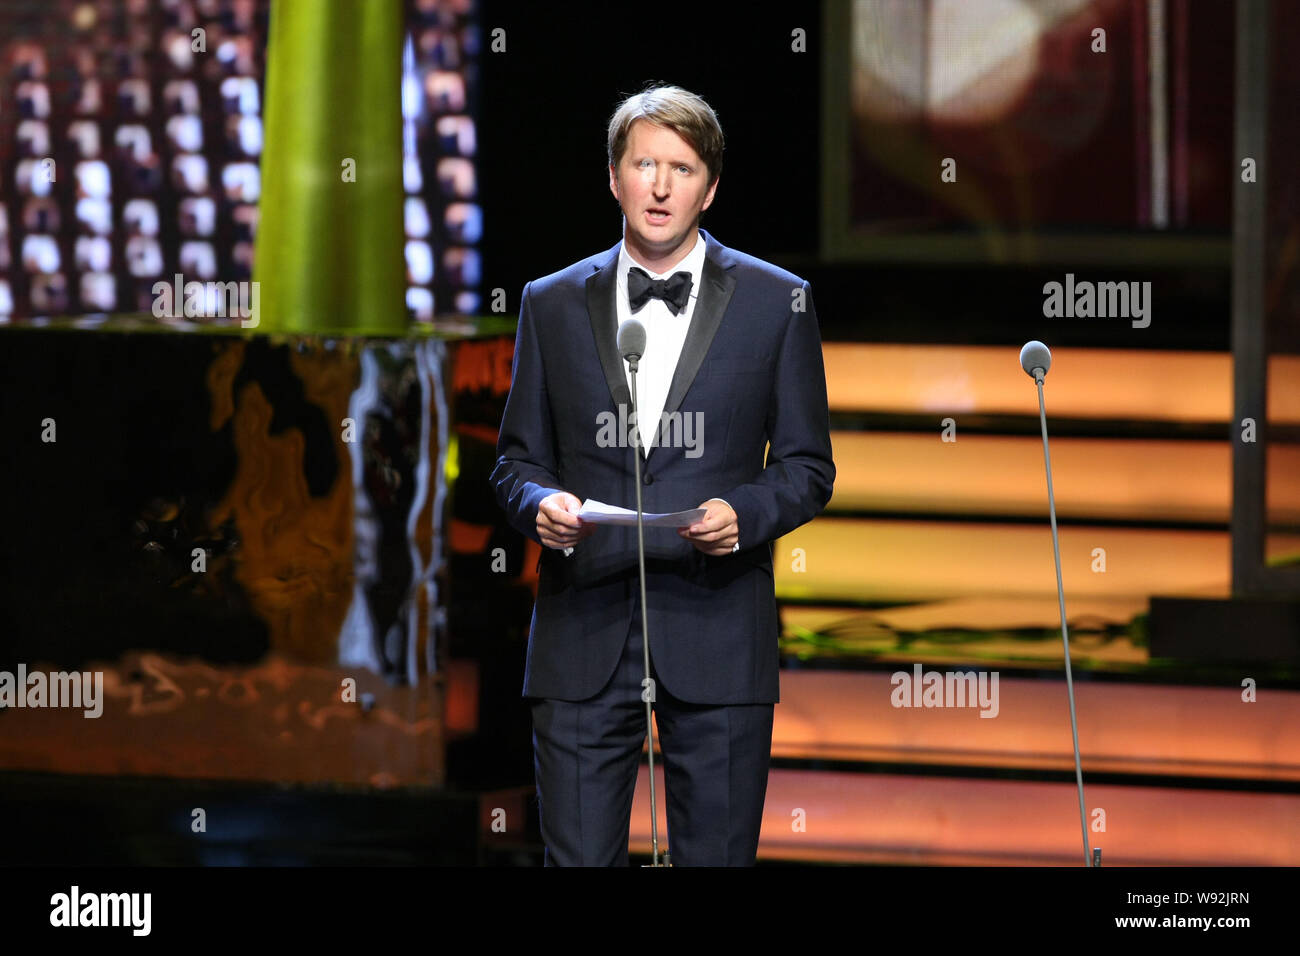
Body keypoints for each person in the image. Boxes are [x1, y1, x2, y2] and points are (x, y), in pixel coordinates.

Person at [491, 84, 835, 866]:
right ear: (614, 176)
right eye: (643, 163)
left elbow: (810, 467)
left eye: (680, 167)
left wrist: (742, 514)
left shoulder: (778, 301)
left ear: (709, 188)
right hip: (583, 637)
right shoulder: (549, 303)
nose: (659, 185)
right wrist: (539, 504)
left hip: (718, 632)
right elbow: (515, 462)